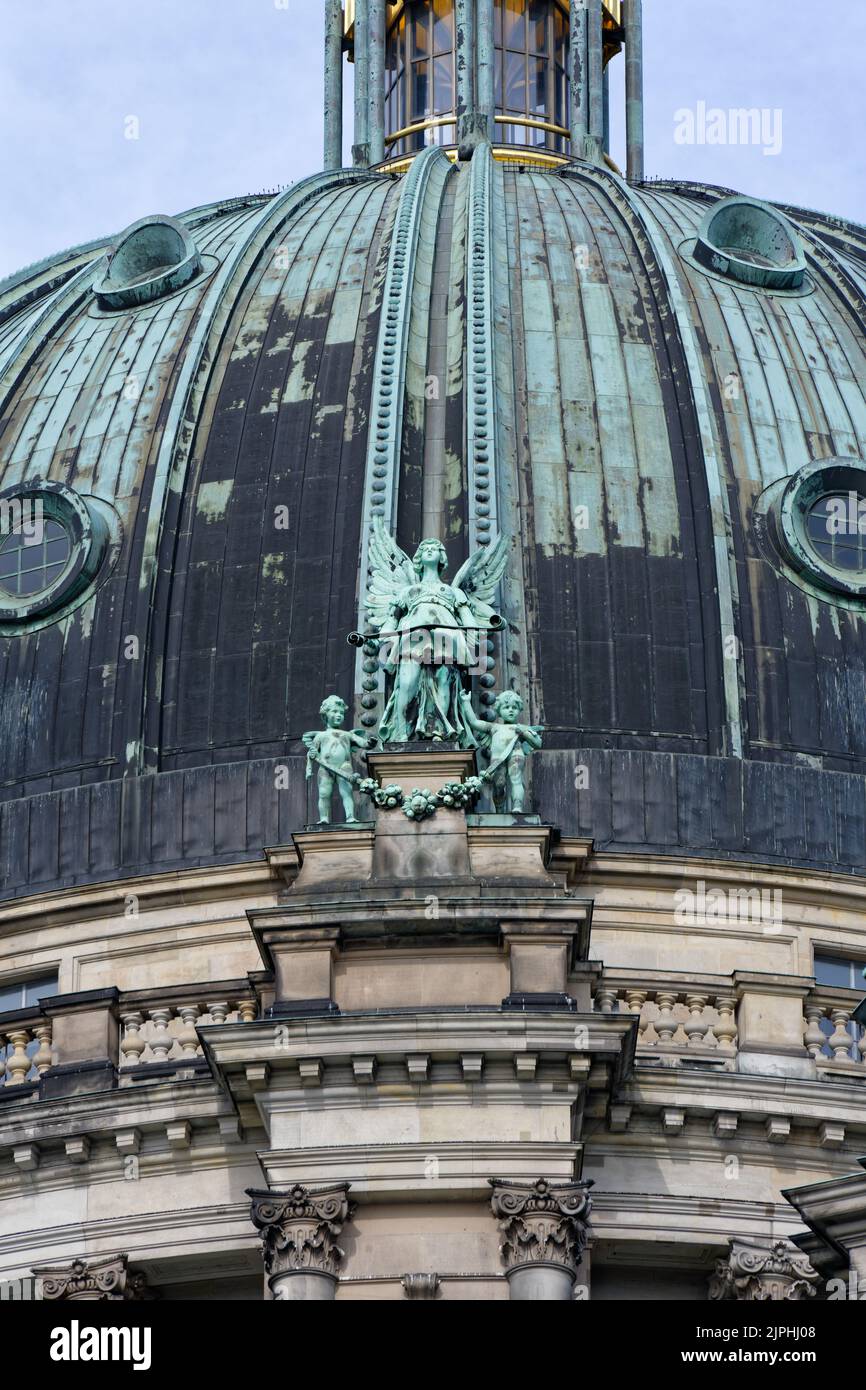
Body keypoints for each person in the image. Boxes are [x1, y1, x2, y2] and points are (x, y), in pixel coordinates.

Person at [459, 688, 542, 814]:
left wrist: (524, 732)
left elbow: (537, 743)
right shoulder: (494, 727)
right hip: (497, 759)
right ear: (499, 711)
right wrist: (466, 702)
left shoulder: (522, 728)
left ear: (519, 710)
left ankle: (517, 806)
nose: (510, 710)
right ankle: (499, 809)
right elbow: (474, 722)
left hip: (516, 754)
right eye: (506, 707)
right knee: (499, 784)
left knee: (516, 779)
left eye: (514, 707)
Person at [302, 695, 371, 823]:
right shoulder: (321, 736)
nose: (339, 715)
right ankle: (324, 818)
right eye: (334, 711)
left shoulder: (348, 734)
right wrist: (309, 769)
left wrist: (369, 743)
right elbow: (311, 753)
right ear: (325, 715)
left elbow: (362, 742)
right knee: (324, 794)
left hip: (344, 767)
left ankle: (350, 816)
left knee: (347, 793)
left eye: (341, 713)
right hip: (325, 767)